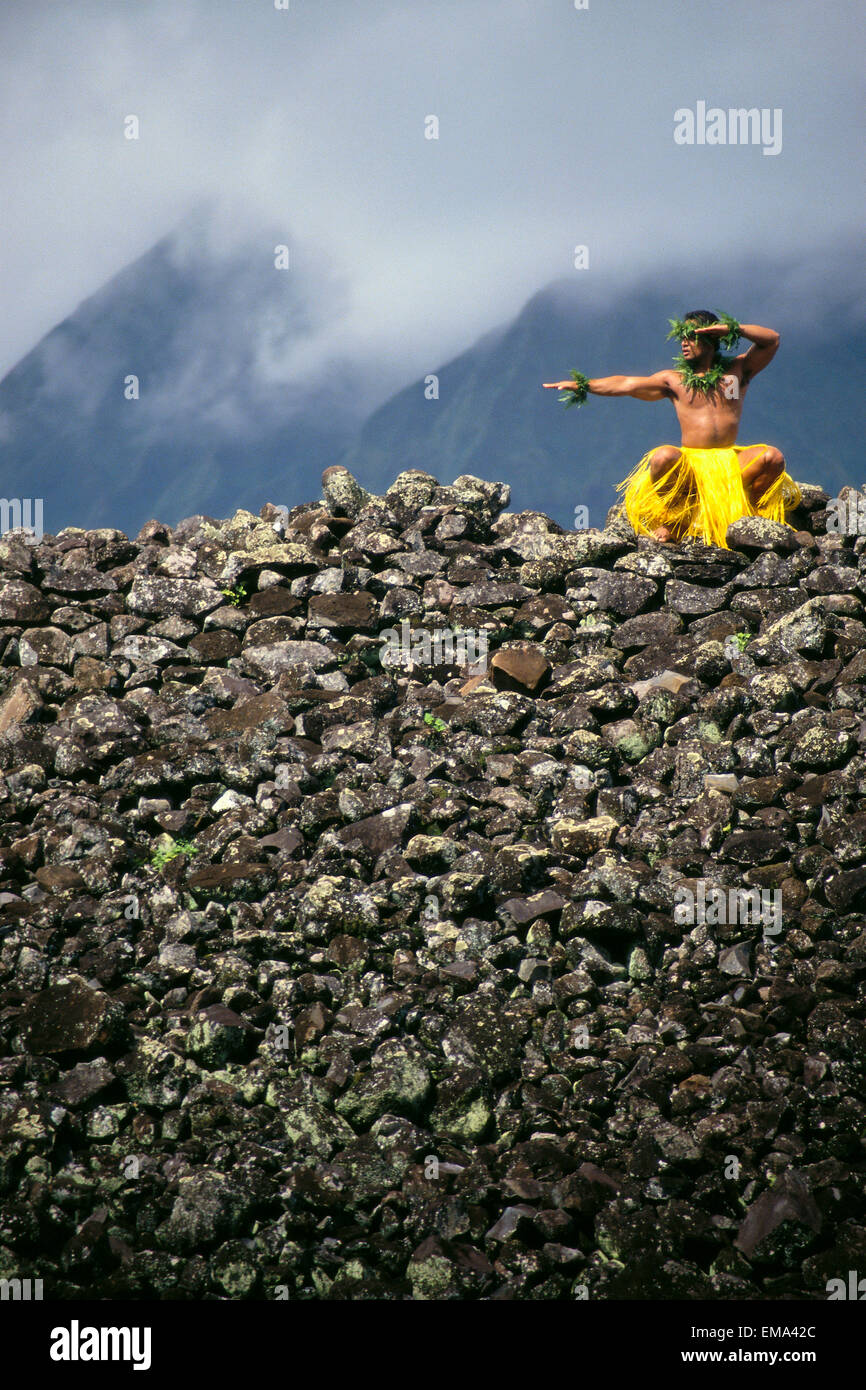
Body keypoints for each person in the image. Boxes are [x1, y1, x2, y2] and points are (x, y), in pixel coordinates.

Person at [543, 310, 801, 547]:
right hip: (690, 469)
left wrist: (732, 329)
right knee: (663, 456)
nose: (683, 343)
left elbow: (771, 340)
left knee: (772, 457)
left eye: (690, 337)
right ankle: (675, 522)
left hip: (731, 464)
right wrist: (585, 385)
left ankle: (748, 519)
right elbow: (626, 384)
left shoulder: (737, 371)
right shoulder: (674, 381)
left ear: (710, 337)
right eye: (681, 338)